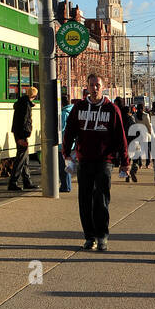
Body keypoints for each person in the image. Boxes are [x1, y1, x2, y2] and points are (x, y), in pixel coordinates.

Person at [62, 72, 127, 252]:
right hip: (84, 160)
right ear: (87, 87)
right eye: (91, 85)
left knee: (101, 199)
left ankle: (102, 236)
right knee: (85, 200)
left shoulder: (112, 109)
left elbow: (120, 136)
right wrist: (66, 153)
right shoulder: (79, 107)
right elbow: (69, 131)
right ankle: (89, 237)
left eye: (97, 85)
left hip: (104, 161)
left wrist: (125, 161)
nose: (95, 88)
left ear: (103, 87)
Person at [9, 87, 36, 192]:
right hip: (21, 135)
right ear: (33, 96)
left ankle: (27, 181)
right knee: (21, 158)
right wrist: (22, 136)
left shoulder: (22, 103)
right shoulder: (25, 105)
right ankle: (13, 182)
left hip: (19, 133)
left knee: (24, 158)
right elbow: (25, 121)